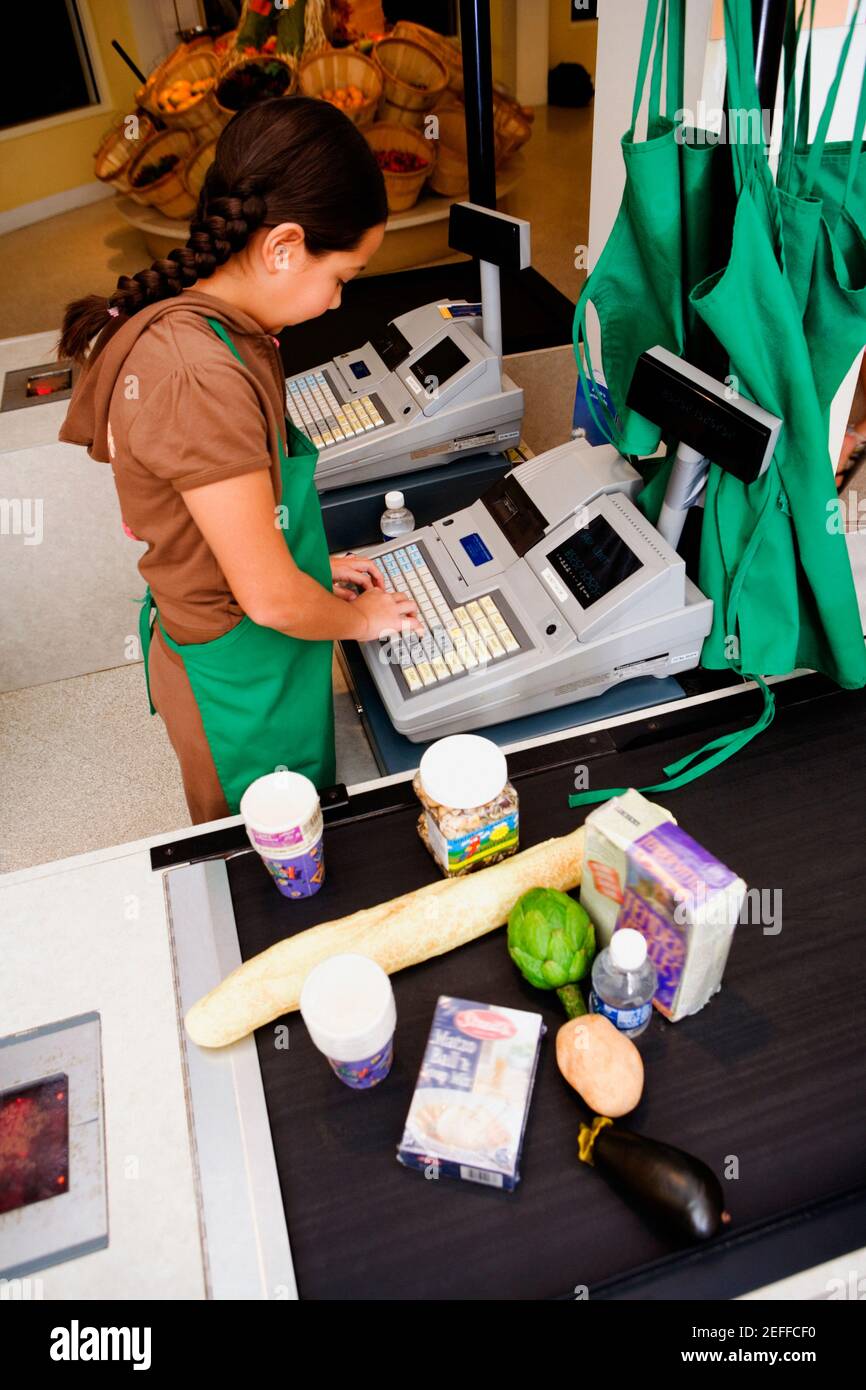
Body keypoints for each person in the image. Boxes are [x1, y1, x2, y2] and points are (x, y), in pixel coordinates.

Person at [59, 96, 421, 823]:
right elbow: (270, 599)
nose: (337, 301)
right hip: (237, 680)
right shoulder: (197, 374)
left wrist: (314, 563)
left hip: (249, 650)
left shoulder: (224, 330)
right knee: (268, 858)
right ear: (282, 246)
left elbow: (234, 520)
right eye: (342, 276)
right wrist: (365, 620)